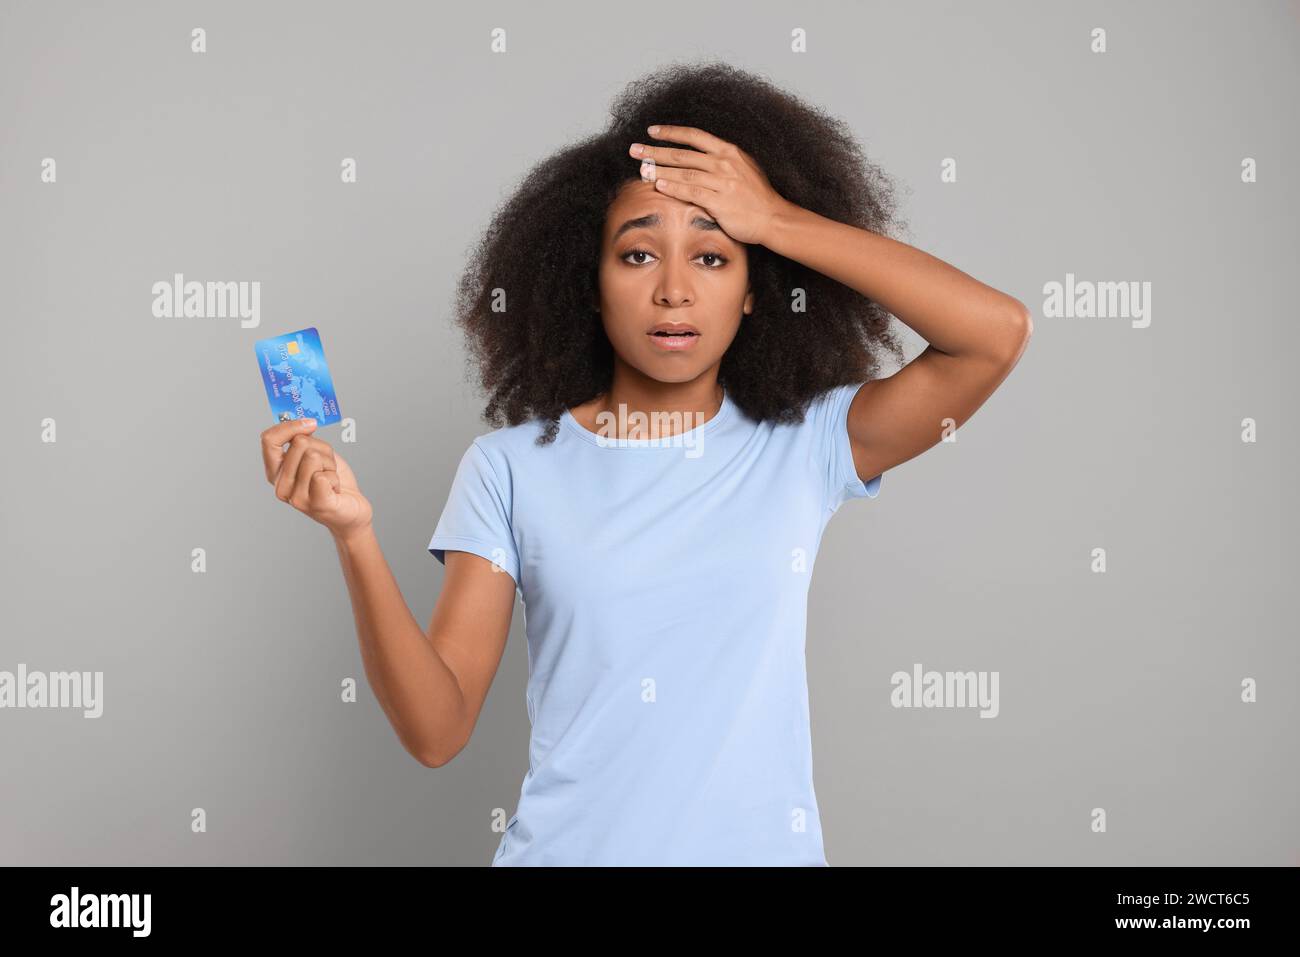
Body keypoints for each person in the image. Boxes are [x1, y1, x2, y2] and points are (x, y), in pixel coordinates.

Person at [258, 62, 1031, 866]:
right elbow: (436, 730)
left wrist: (775, 218)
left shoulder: (805, 443)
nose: (673, 291)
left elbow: (995, 334)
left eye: (713, 256)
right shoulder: (508, 469)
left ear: (755, 288)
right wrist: (354, 536)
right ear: (588, 284)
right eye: (636, 255)